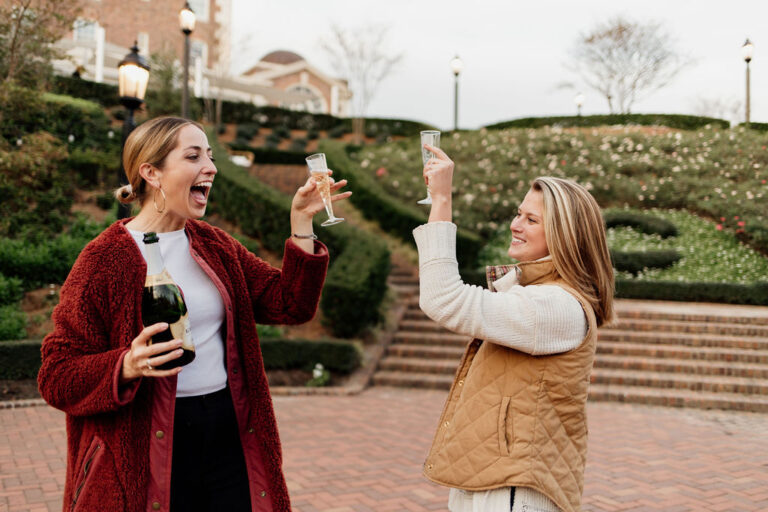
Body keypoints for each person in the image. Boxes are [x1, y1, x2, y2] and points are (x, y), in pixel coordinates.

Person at [38, 116, 351, 512]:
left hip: (228, 429)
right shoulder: (103, 259)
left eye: (210, 156)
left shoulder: (214, 244)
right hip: (148, 444)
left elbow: (290, 303)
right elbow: (56, 376)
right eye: (193, 156)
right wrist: (127, 365)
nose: (211, 167)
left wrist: (302, 222)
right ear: (151, 173)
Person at [414, 145, 614, 512]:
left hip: (512, 488)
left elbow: (443, 300)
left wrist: (441, 200)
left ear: (565, 235)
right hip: (493, 476)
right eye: (518, 213)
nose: (515, 225)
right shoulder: (539, 295)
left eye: (531, 220)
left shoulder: (557, 306)